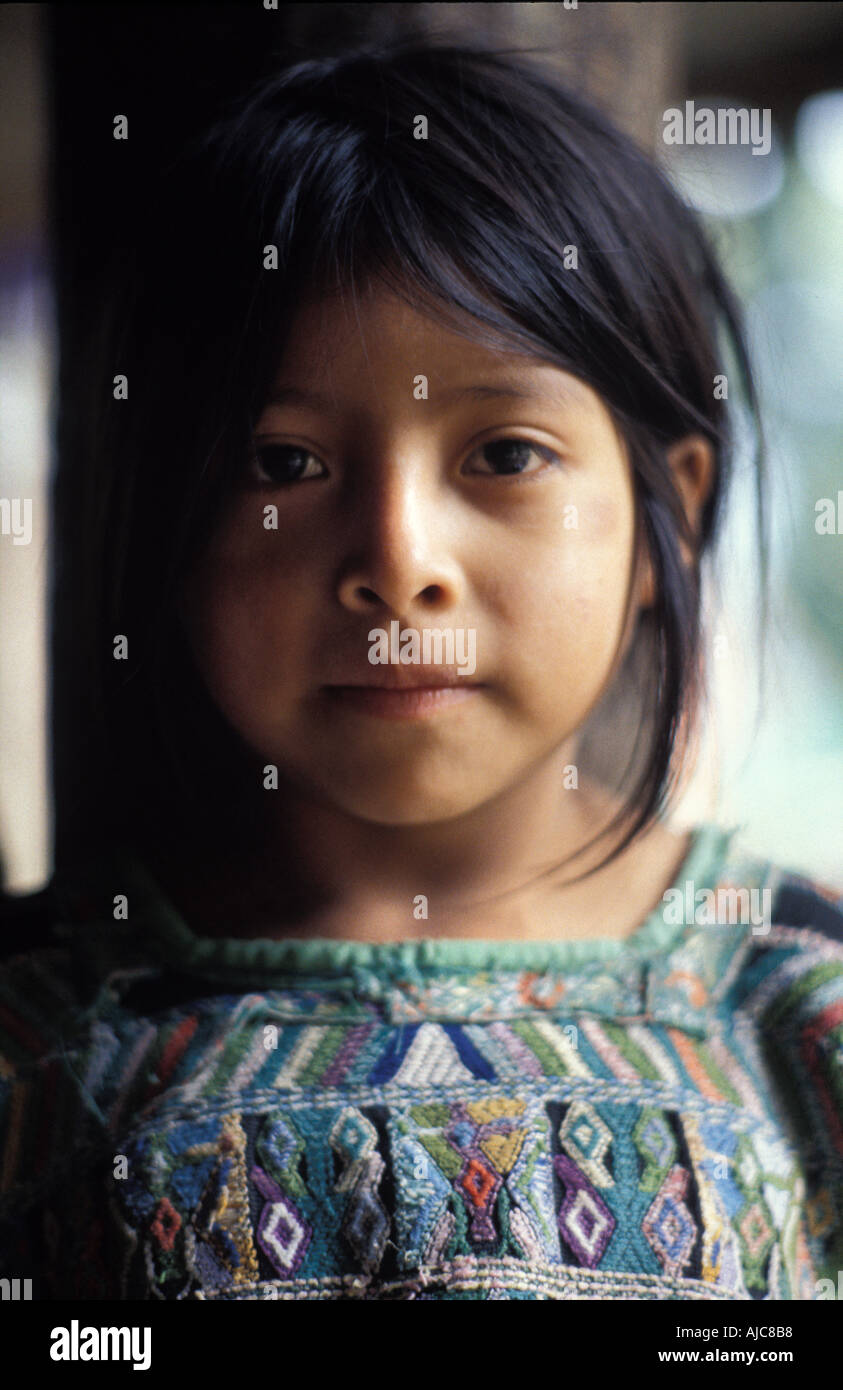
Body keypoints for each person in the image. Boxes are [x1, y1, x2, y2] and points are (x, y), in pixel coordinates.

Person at [1, 37, 841, 1301]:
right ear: (169, 524)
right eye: (284, 465)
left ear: (667, 516)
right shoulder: (39, 1026)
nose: (398, 562)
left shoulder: (804, 1005)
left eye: (503, 453)